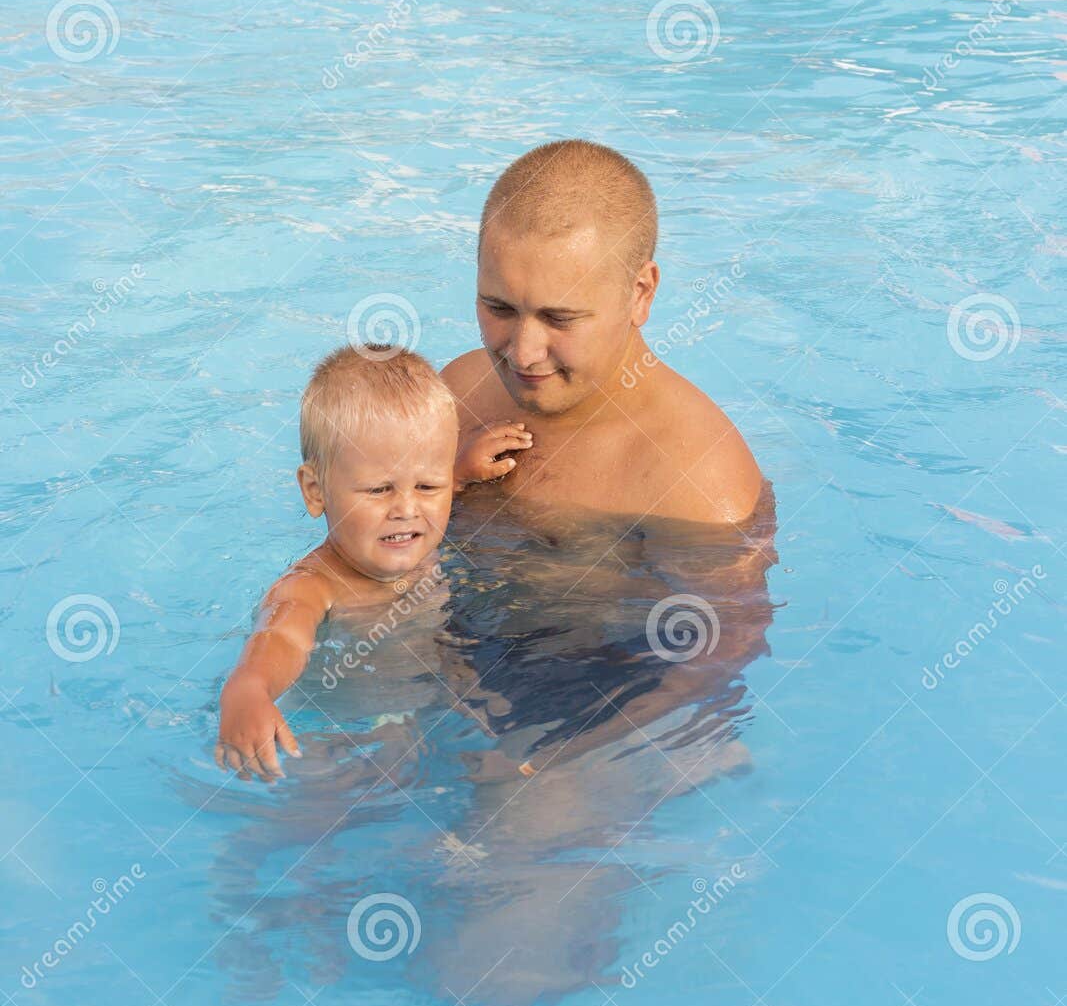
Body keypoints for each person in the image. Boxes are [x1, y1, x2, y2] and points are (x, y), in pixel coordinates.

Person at [214, 343, 519, 780]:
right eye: (379, 490)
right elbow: (281, 637)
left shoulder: (416, 525)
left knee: (516, 766)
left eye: (429, 486)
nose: (407, 510)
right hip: (346, 732)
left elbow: (419, 489)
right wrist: (249, 688)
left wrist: (461, 474)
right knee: (317, 811)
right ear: (316, 491)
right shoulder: (313, 586)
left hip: (434, 700)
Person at [442, 138, 762, 531]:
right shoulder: (459, 394)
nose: (523, 354)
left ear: (640, 294)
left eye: (560, 318)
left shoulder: (695, 485)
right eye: (499, 309)